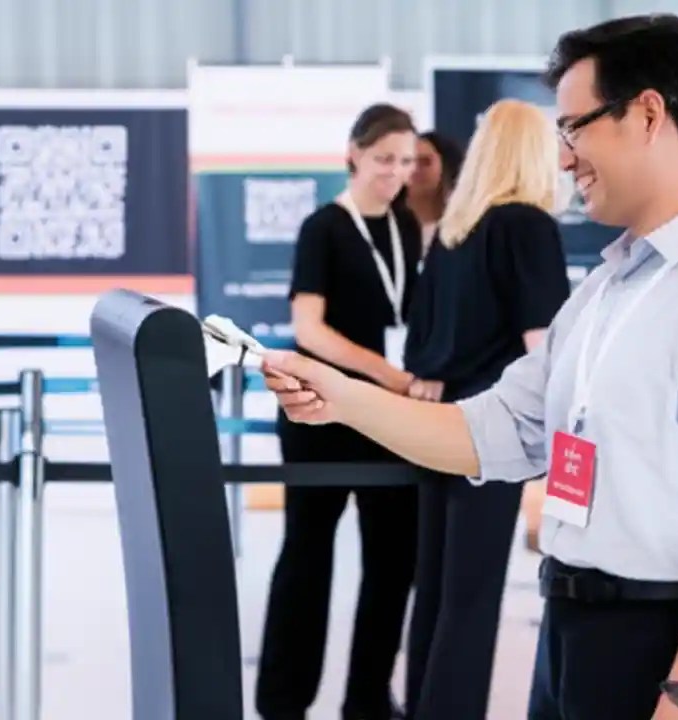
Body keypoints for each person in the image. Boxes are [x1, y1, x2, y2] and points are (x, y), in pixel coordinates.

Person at [261, 14, 678, 719]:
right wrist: (342, 398)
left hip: (673, 651)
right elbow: (496, 430)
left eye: (574, 128)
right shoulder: (610, 284)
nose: (563, 159)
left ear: (648, 114)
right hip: (574, 631)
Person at [401, 99, 569, 720]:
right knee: (471, 598)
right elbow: (543, 345)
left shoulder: (453, 232)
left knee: (437, 591)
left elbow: (420, 343)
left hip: (434, 425)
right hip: (490, 433)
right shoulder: (528, 226)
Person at [255, 103, 421, 720]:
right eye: (384, 159)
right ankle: (282, 701)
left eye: (405, 161)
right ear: (353, 154)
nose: (395, 172)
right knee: (307, 552)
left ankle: (368, 699)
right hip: (319, 412)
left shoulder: (407, 226)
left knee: (392, 561)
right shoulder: (323, 227)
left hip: (386, 418)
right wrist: (387, 373)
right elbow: (310, 329)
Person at [399, 130, 464, 254]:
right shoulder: (385, 233)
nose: (414, 169)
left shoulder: (466, 233)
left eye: (425, 162)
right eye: (407, 161)